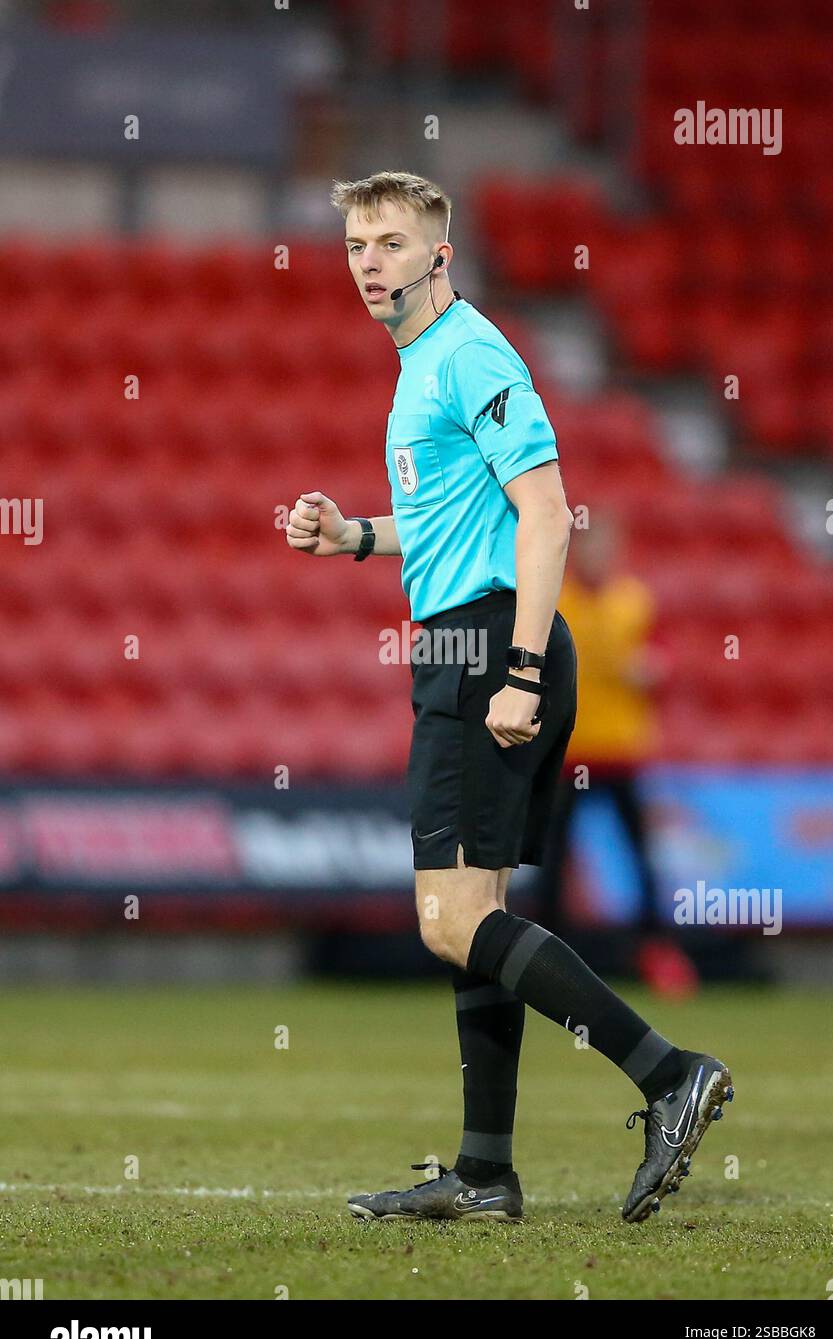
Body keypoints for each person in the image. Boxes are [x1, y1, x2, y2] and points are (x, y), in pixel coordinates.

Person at [285, 170, 732, 1223]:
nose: (368, 262)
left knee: (444, 918)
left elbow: (548, 514)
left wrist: (522, 670)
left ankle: (667, 1071)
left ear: (439, 255)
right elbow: (455, 517)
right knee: (470, 918)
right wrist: (354, 535)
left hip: (491, 645)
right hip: (463, 639)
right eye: (355, 244)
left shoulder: (470, 351)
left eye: (391, 243)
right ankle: (485, 1171)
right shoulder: (422, 367)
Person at [536, 513, 700, 997]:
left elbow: (663, 658)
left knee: (641, 858)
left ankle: (655, 949)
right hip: (568, 751)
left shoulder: (635, 601)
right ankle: (546, 956)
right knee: (552, 858)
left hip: (622, 750)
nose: (597, 556)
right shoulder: (556, 600)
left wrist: (652, 669)